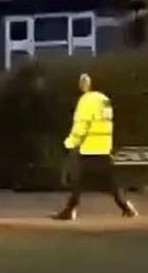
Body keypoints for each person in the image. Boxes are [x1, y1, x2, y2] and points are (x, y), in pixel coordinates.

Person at [55, 73, 138, 221]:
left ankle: (69, 210)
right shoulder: (105, 100)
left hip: (89, 147)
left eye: (84, 81)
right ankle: (126, 207)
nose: (81, 84)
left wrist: (71, 142)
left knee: (78, 180)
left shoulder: (86, 100)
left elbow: (82, 123)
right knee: (109, 182)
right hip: (104, 146)